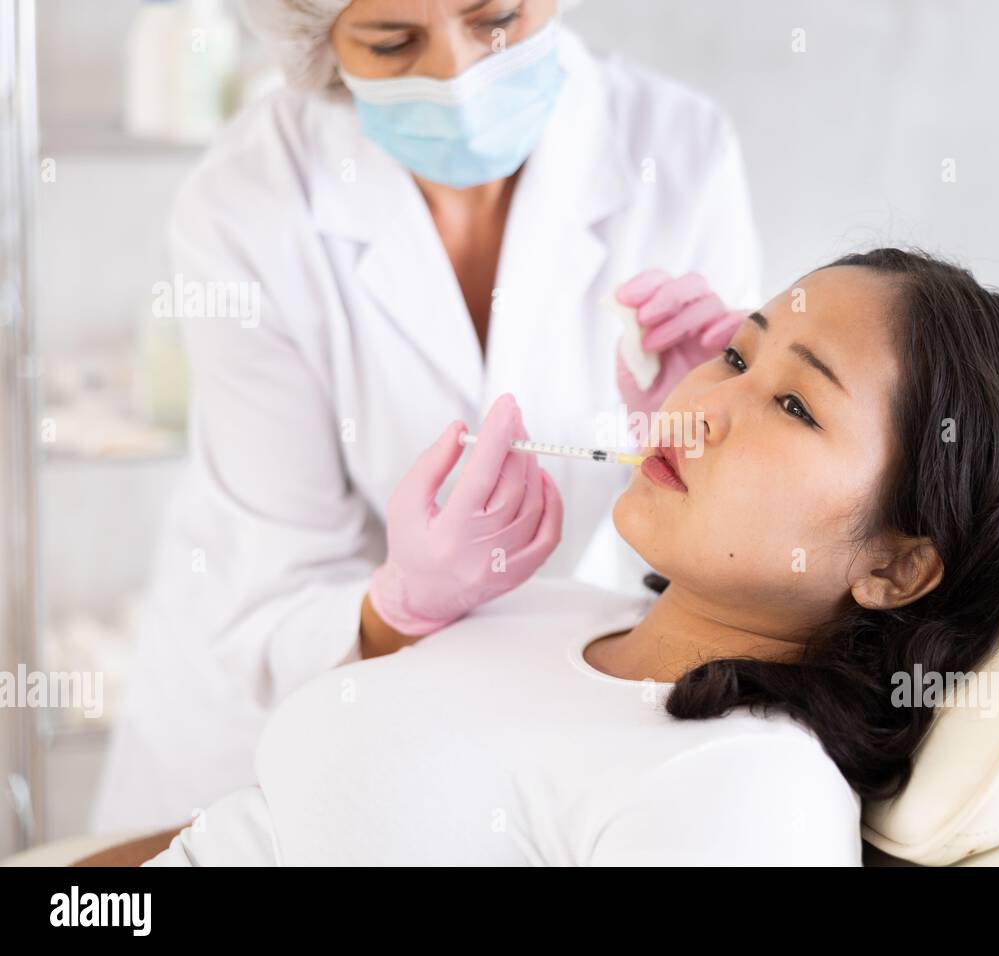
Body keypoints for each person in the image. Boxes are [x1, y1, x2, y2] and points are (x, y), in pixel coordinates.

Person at [135, 248, 999, 865]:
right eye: (735, 353)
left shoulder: (747, 788)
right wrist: (400, 611)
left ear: (897, 566)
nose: (697, 404)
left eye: (792, 403)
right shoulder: (555, 610)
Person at [90, 0, 762, 834]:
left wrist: (708, 427)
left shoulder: (681, 151)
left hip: (518, 702)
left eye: (497, 17)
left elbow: (741, 557)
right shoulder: (246, 201)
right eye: (391, 40)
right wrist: (401, 605)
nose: (457, 73)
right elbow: (277, 585)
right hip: (266, 704)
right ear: (317, 43)